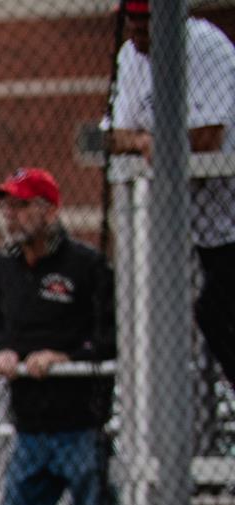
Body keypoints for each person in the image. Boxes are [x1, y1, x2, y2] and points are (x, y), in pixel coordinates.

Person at [0, 168, 119, 505]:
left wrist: (66, 358)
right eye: (8, 206)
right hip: (29, 429)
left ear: (49, 210)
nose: (12, 215)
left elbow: (109, 339)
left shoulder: (86, 265)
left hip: (80, 425)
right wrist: (3, 351)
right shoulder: (4, 265)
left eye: (22, 205)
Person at [107, 0, 235, 390]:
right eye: (131, 24)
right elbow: (112, 135)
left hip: (230, 216)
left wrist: (158, 143)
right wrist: (147, 140)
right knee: (200, 314)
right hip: (194, 227)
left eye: (144, 26)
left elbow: (207, 136)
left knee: (214, 310)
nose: (135, 35)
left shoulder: (205, 46)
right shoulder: (131, 56)